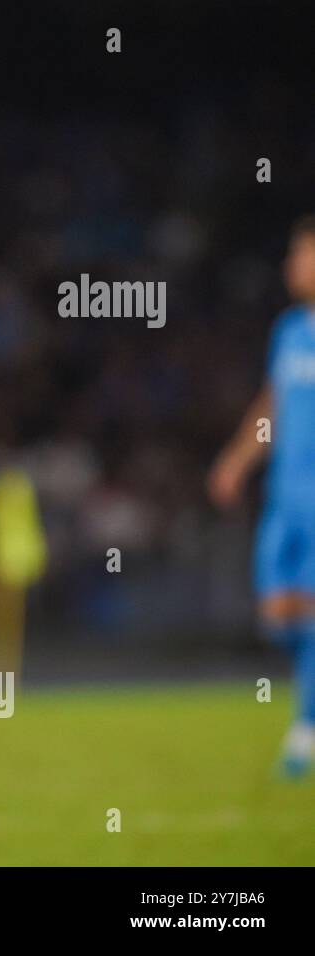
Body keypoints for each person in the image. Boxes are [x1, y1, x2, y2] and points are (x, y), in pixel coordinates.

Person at [209, 215, 315, 778]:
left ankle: (305, 732)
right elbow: (272, 407)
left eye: (302, 254)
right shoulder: (291, 330)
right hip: (285, 497)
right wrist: (236, 459)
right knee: (279, 614)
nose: (290, 266)